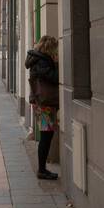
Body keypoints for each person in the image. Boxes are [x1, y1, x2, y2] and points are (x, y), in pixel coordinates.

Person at [26, 36, 60, 180]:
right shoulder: (43, 62)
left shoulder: (37, 59)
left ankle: (42, 169)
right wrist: (57, 64)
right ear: (49, 47)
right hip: (45, 104)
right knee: (46, 136)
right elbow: (53, 77)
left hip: (41, 102)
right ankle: (42, 170)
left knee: (46, 135)